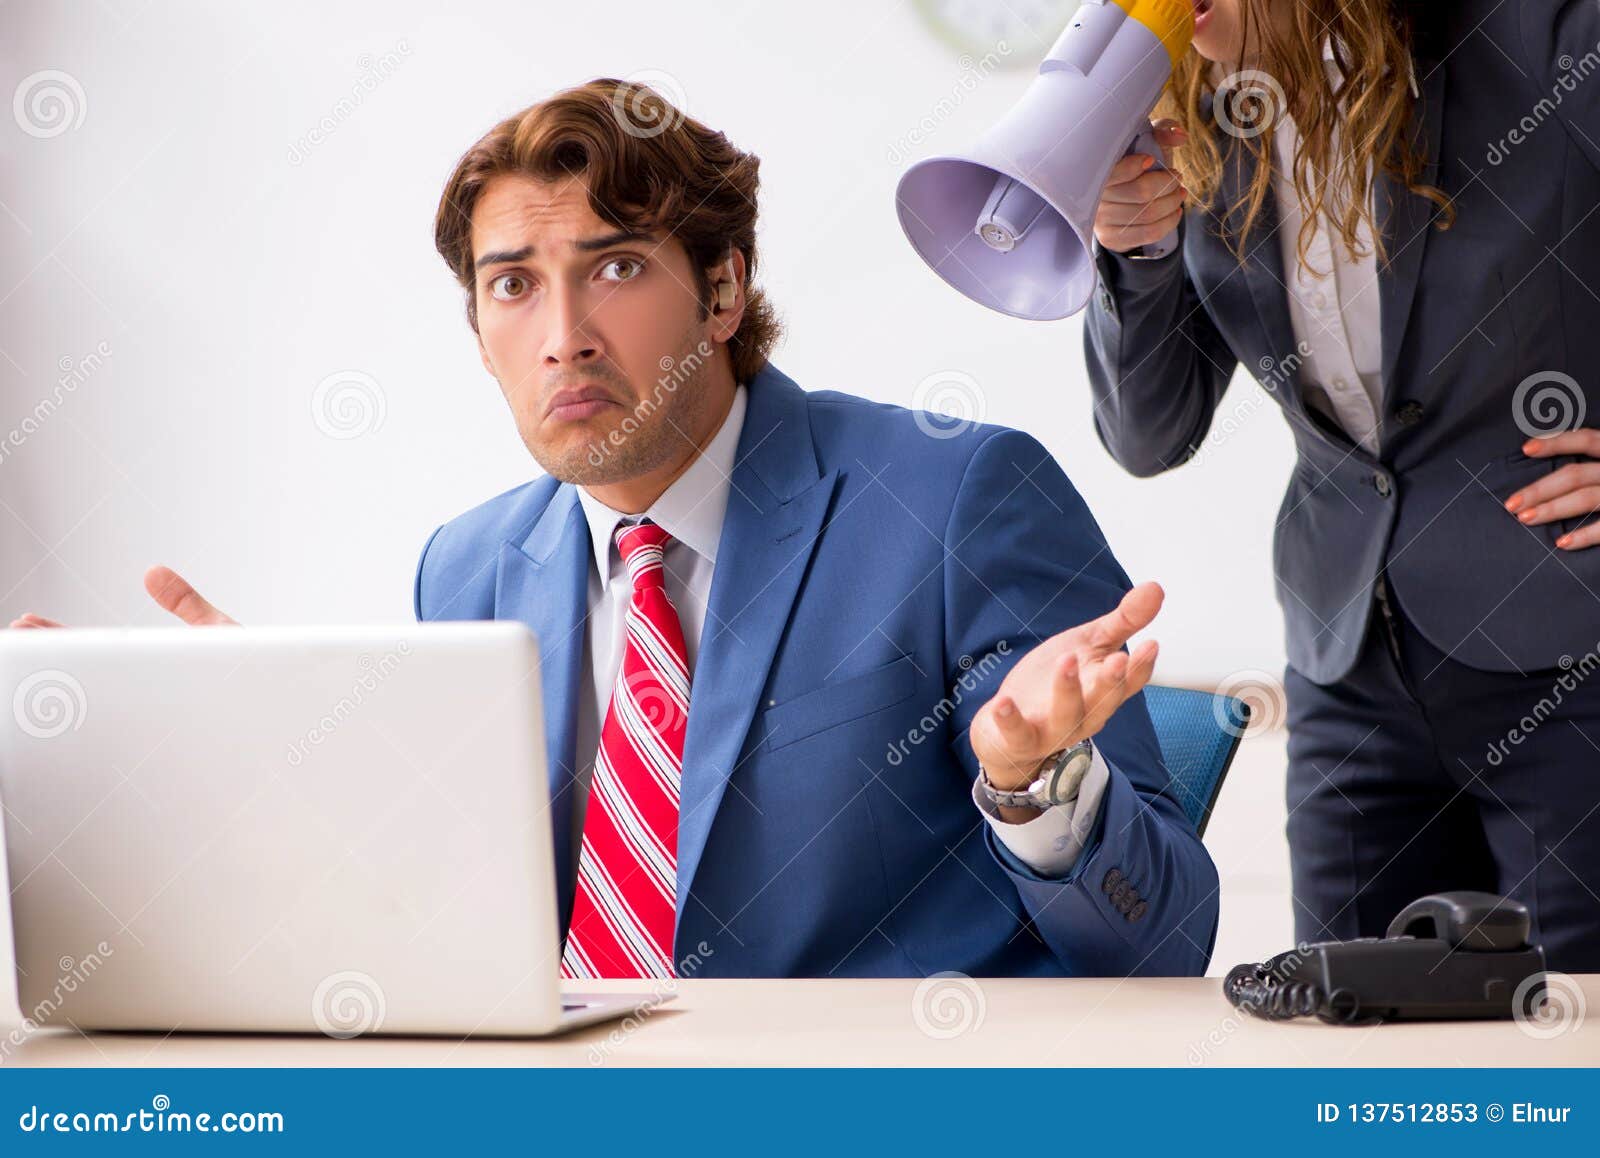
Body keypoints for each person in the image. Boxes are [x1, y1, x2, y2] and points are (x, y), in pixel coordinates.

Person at [13, 79, 1219, 979]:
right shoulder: (469, 568)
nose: (563, 337)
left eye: (617, 269)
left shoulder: (955, 497)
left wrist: (1036, 785)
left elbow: (1166, 938)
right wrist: (264, 766)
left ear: (723, 291)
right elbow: (441, 923)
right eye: (512, 285)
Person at [1085, 0, 1600, 971]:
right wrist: (1136, 247)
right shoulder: (1202, 117)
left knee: (1576, 1036)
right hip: (1346, 671)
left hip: (1570, 655)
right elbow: (1150, 434)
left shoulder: (1539, 32)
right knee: (1347, 1024)